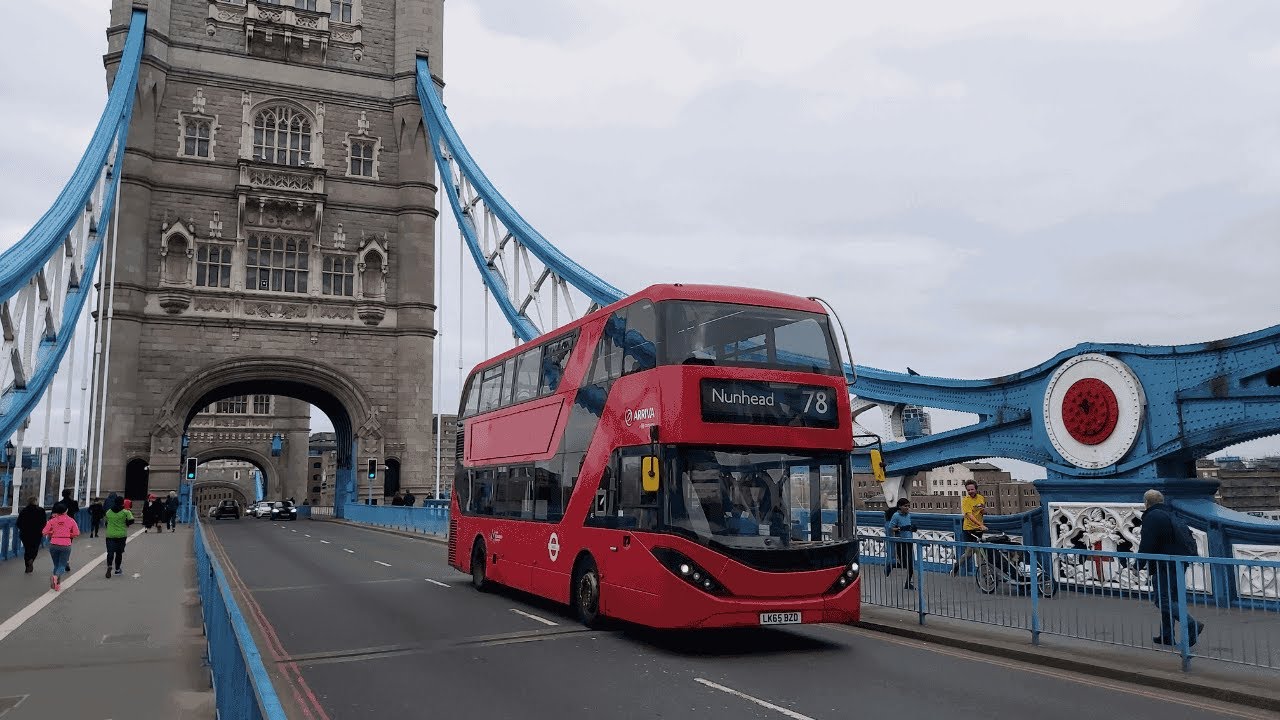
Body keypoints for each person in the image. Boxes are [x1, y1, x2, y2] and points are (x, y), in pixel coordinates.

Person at [1137, 489, 1205, 647]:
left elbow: (1147, 543)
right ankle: (1166, 636)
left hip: (1164, 564)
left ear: (1146, 503)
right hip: (1179, 563)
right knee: (1171, 599)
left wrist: (1138, 565)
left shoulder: (1152, 516)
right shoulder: (1172, 514)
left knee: (1162, 600)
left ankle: (1191, 624)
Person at [41, 502, 80, 591]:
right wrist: (68, 534)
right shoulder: (71, 520)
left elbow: (44, 532)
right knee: (62, 565)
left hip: (54, 544)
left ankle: (57, 585)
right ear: (66, 511)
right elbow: (76, 533)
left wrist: (53, 533)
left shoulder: (52, 520)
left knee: (56, 565)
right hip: (65, 544)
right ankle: (55, 577)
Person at [952, 480, 988, 575]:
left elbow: (982, 512)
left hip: (979, 530)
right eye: (968, 490)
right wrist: (980, 524)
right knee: (978, 550)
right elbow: (969, 515)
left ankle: (957, 565)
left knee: (968, 554)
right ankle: (985, 575)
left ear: (976, 489)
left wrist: (984, 511)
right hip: (969, 529)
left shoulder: (981, 498)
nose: (970, 491)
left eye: (972, 489)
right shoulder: (966, 500)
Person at [884, 498, 917, 589]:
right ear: (900, 506)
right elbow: (890, 528)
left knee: (911, 565)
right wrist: (900, 529)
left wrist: (912, 528)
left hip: (909, 541)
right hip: (900, 542)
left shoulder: (908, 515)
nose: (907, 508)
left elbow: (908, 527)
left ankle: (908, 583)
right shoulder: (896, 516)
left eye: (908, 506)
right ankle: (892, 565)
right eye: (905, 506)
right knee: (904, 564)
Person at [104, 496, 133, 577]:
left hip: (110, 535)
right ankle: (117, 569)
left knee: (110, 552)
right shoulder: (126, 512)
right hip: (121, 535)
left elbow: (106, 523)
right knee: (119, 553)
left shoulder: (109, 512)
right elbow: (131, 520)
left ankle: (109, 566)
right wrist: (126, 523)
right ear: (122, 503)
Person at [17, 497, 46, 574]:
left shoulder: (23, 511)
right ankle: (31, 559)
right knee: (35, 549)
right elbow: (44, 522)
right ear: (35, 501)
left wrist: (23, 529)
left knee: (27, 549)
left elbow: (18, 523)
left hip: (25, 534)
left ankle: (27, 565)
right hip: (37, 534)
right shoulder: (41, 510)